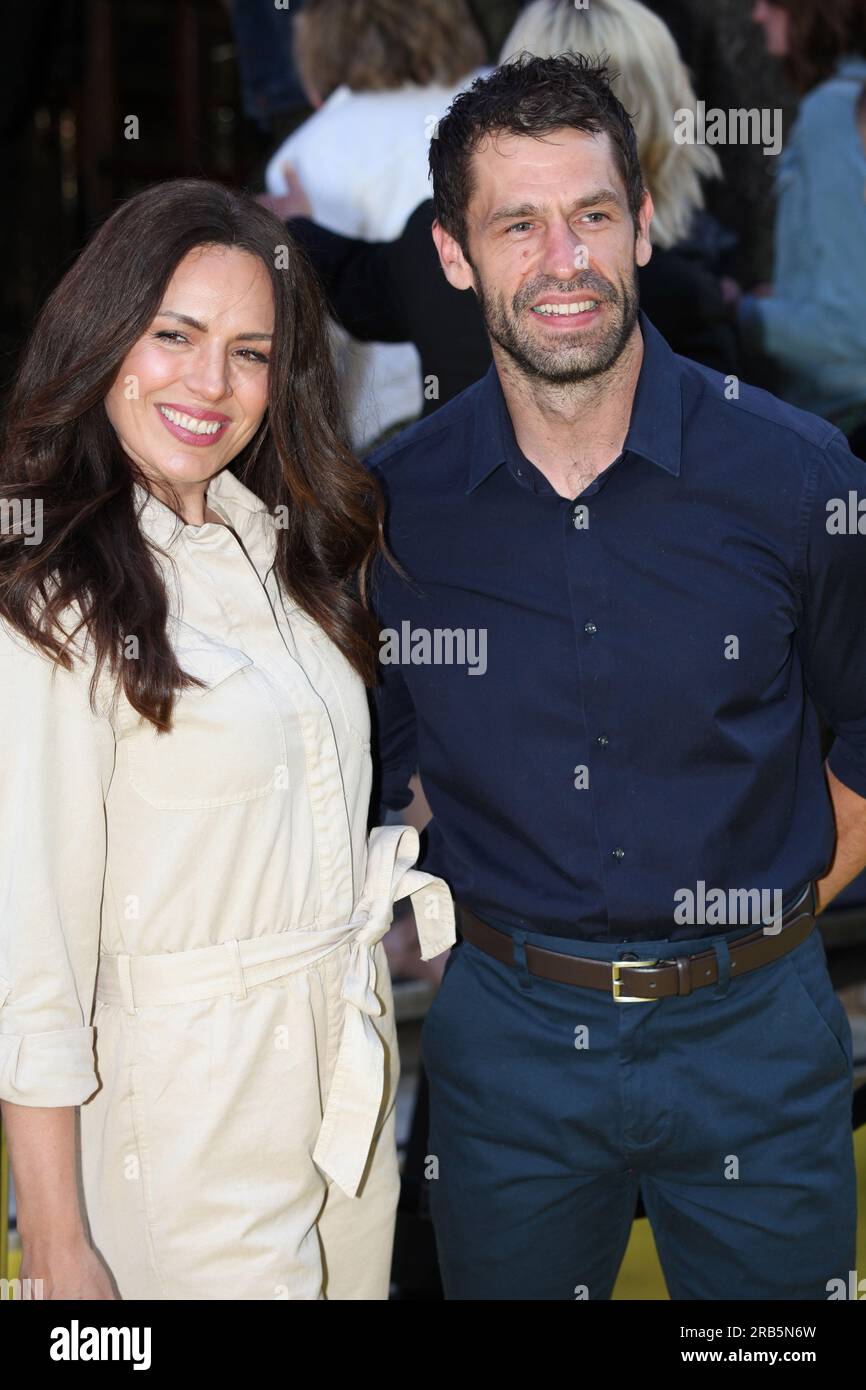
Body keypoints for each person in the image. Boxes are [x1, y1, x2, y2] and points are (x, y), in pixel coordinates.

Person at [367, 53, 866, 1300]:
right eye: (516, 224)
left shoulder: (799, 474)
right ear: (452, 253)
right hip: (508, 1047)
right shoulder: (393, 511)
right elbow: (359, 766)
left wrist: (765, 927)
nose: (563, 259)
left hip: (758, 1030)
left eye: (591, 214)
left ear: (641, 227)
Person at [0, 178, 454, 1300]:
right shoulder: (52, 600)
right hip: (179, 1117)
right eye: (175, 336)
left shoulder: (282, 555)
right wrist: (56, 1242)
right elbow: (30, 950)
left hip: (342, 1089)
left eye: (250, 352)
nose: (211, 384)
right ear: (103, 336)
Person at [264, 0, 489, 451]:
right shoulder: (500, 104)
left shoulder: (307, 154)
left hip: (376, 432)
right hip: (507, 409)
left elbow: (312, 341)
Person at [737, 1, 866, 443]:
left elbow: (850, 330)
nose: (758, 15)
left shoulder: (835, 113)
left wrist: (740, 313)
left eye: (771, 2)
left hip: (847, 422)